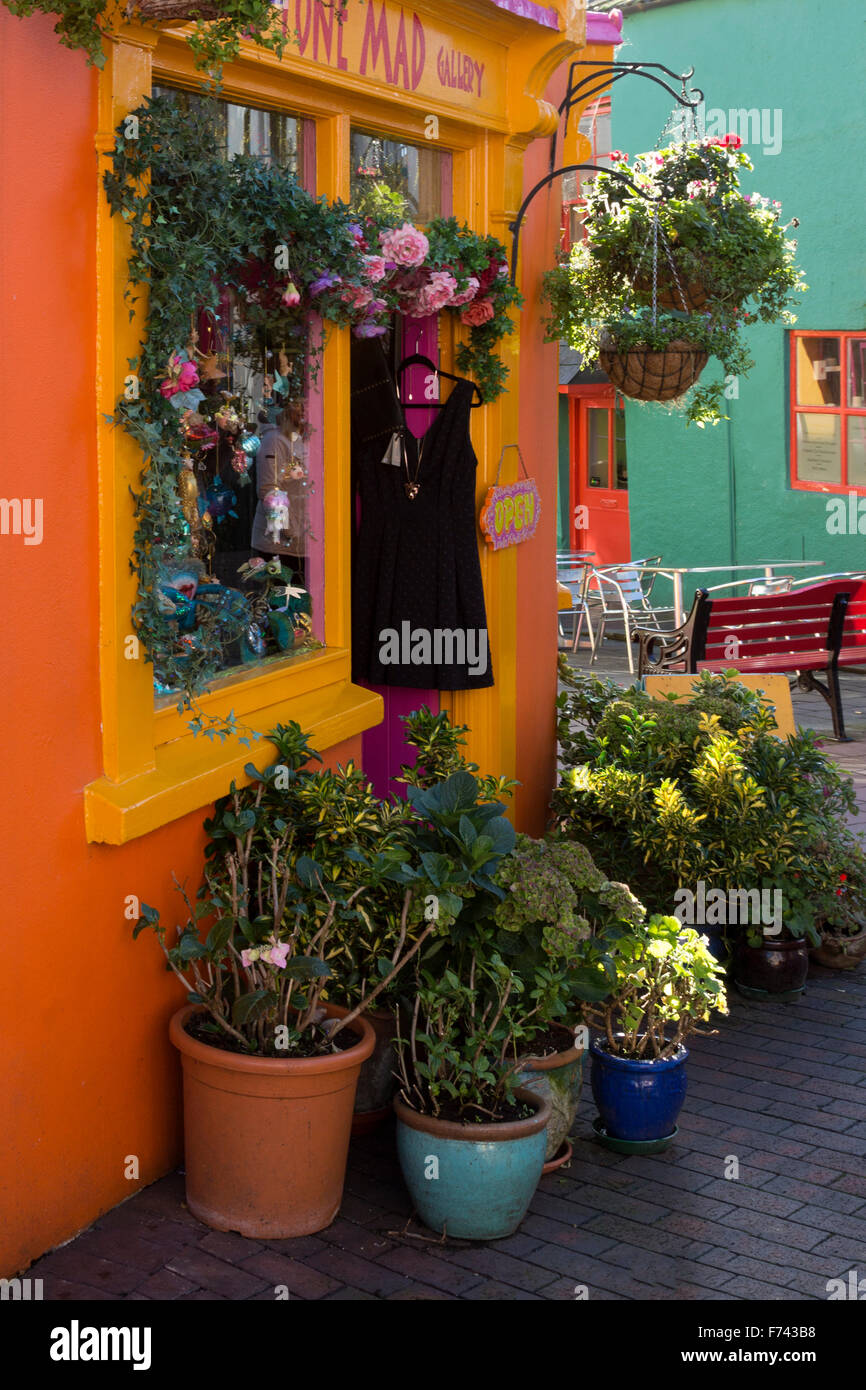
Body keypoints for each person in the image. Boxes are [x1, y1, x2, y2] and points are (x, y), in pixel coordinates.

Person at [250, 401, 310, 586]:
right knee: (281, 603)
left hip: (304, 542)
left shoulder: (304, 438)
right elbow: (268, 489)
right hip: (280, 544)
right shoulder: (275, 439)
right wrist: (289, 529)